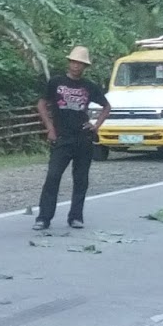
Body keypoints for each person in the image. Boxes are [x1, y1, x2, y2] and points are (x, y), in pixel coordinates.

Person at [35, 45, 111, 231]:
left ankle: (76, 216)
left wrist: (95, 125)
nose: (77, 66)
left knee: (81, 179)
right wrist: (50, 128)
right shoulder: (56, 82)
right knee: (53, 176)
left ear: (85, 67)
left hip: (83, 138)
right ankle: (44, 217)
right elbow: (42, 104)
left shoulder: (89, 86)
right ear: (69, 63)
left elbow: (106, 107)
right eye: (74, 62)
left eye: (81, 64)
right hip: (61, 137)